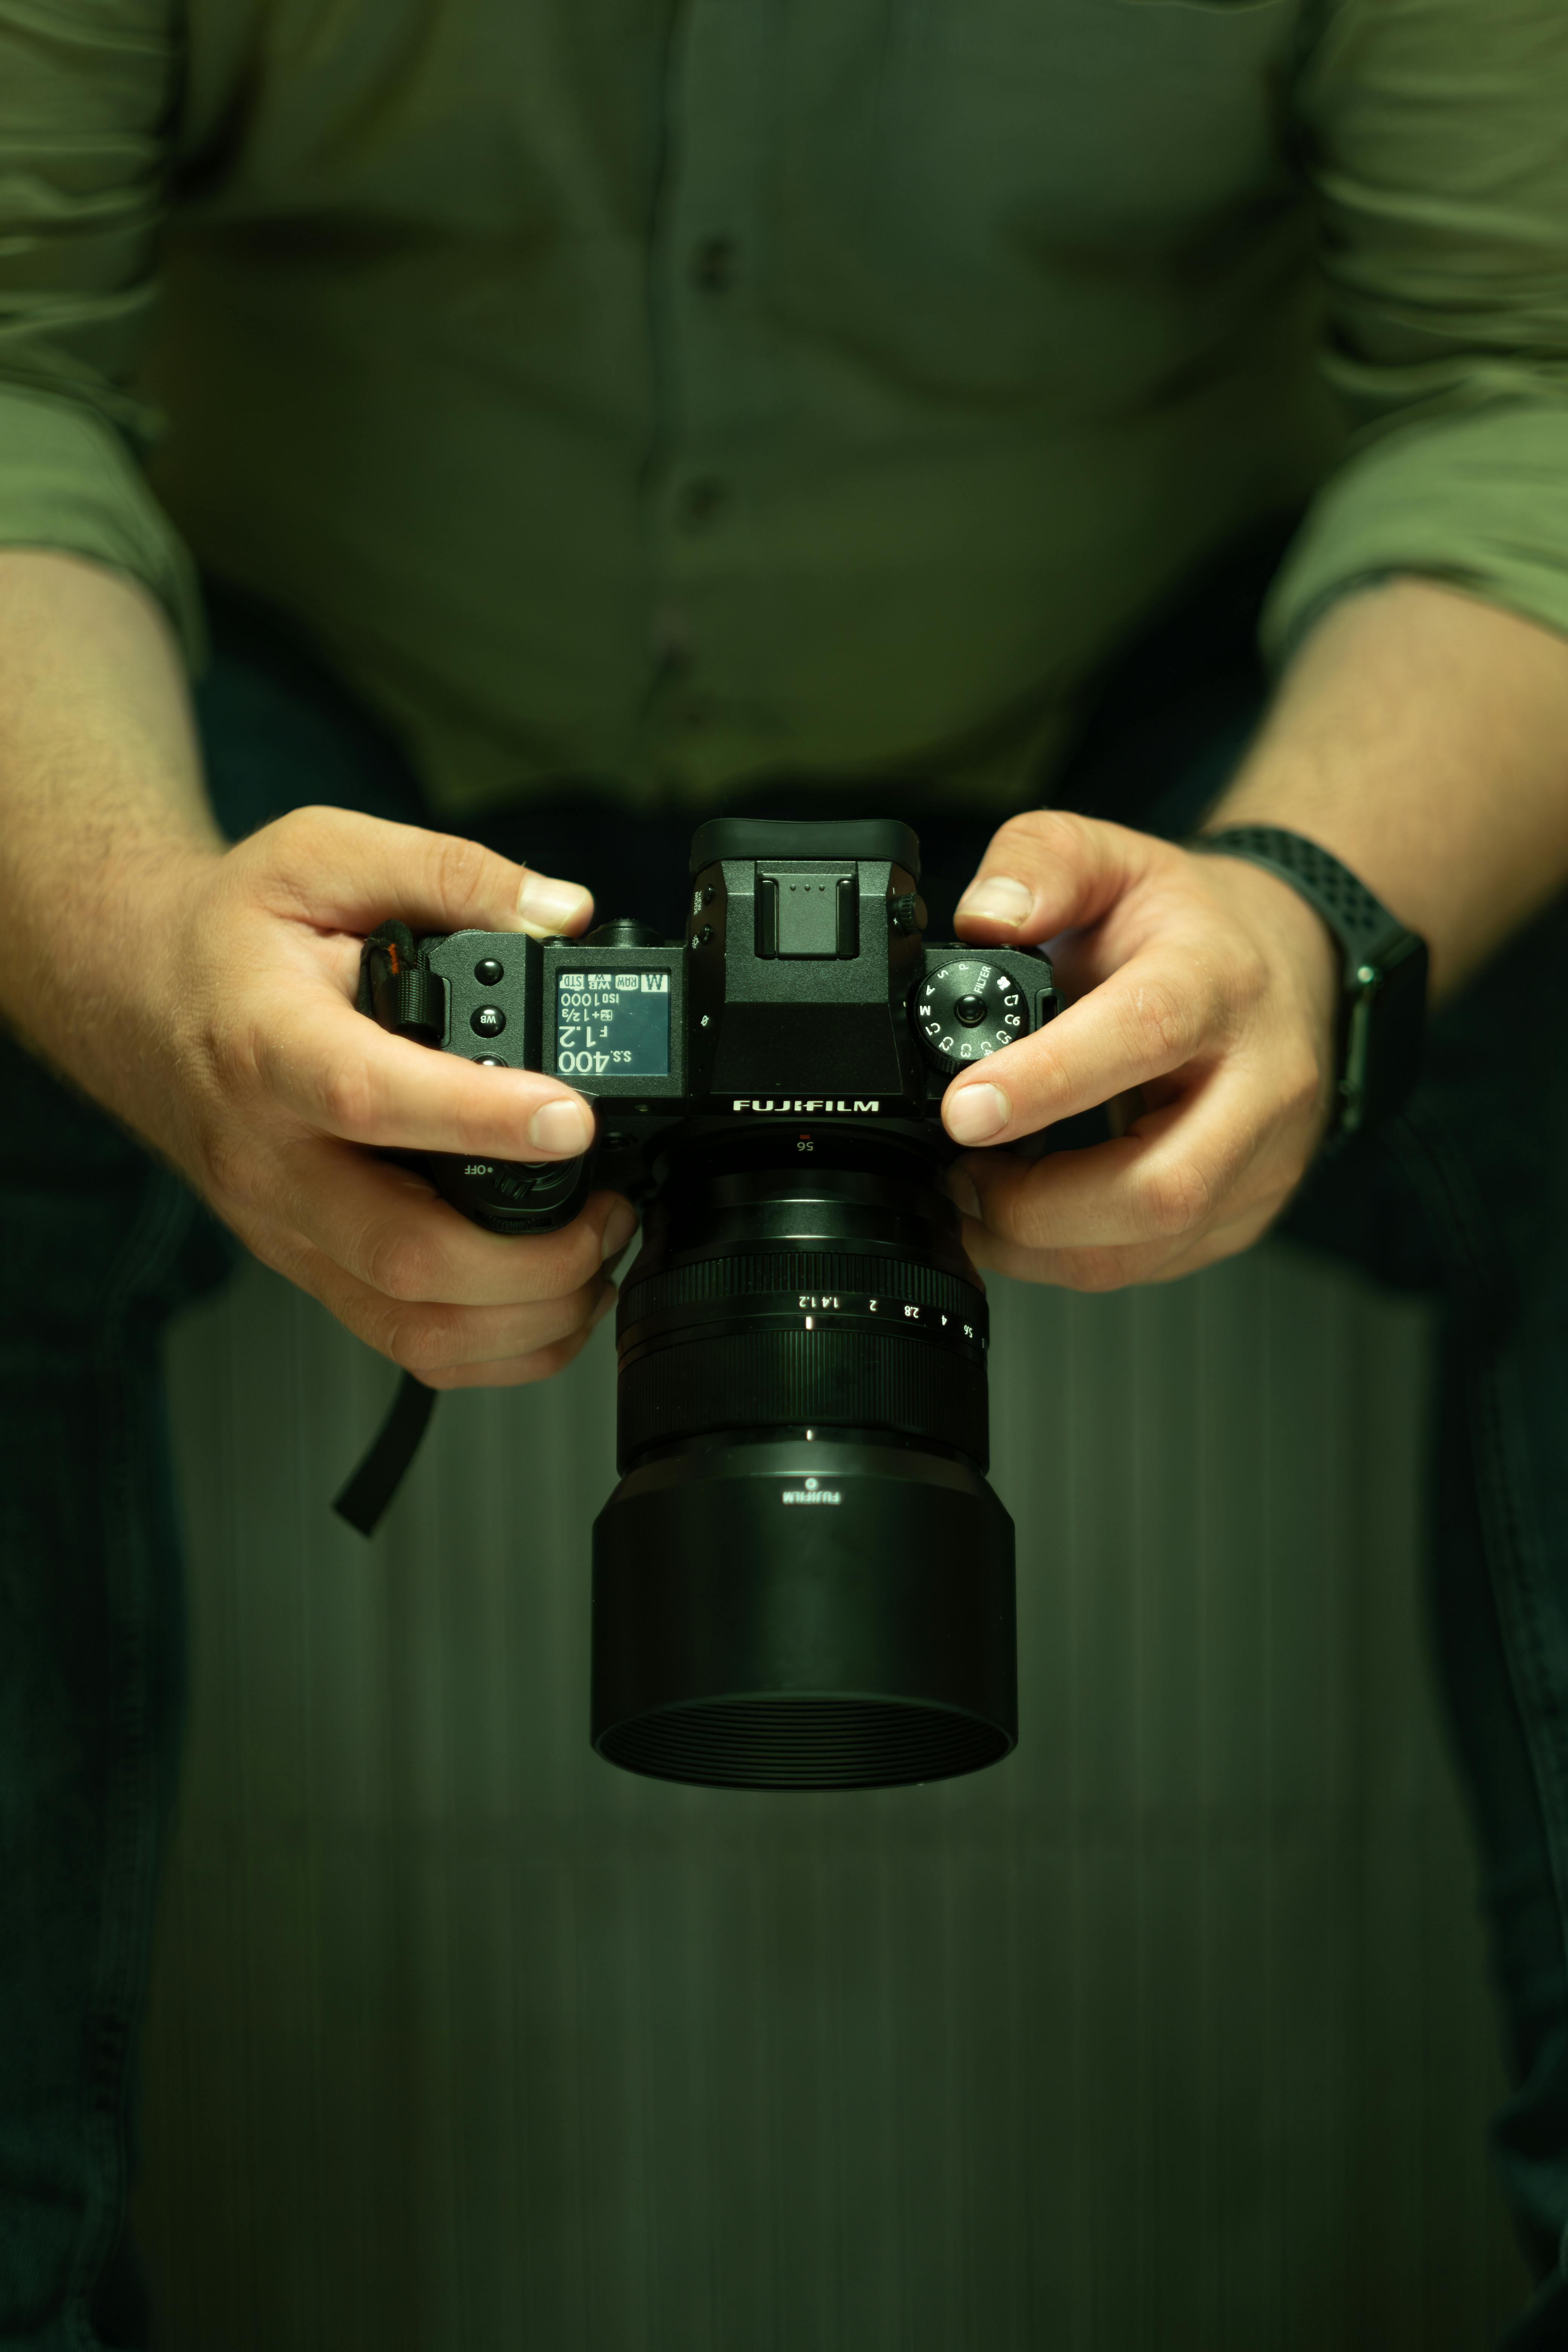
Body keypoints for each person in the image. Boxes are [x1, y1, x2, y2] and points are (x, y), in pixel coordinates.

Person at [1, 0, 1566, 2343]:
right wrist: (139, 971)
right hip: (322, 721)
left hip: (1133, 729)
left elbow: (1523, 377)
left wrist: (1307, 919)